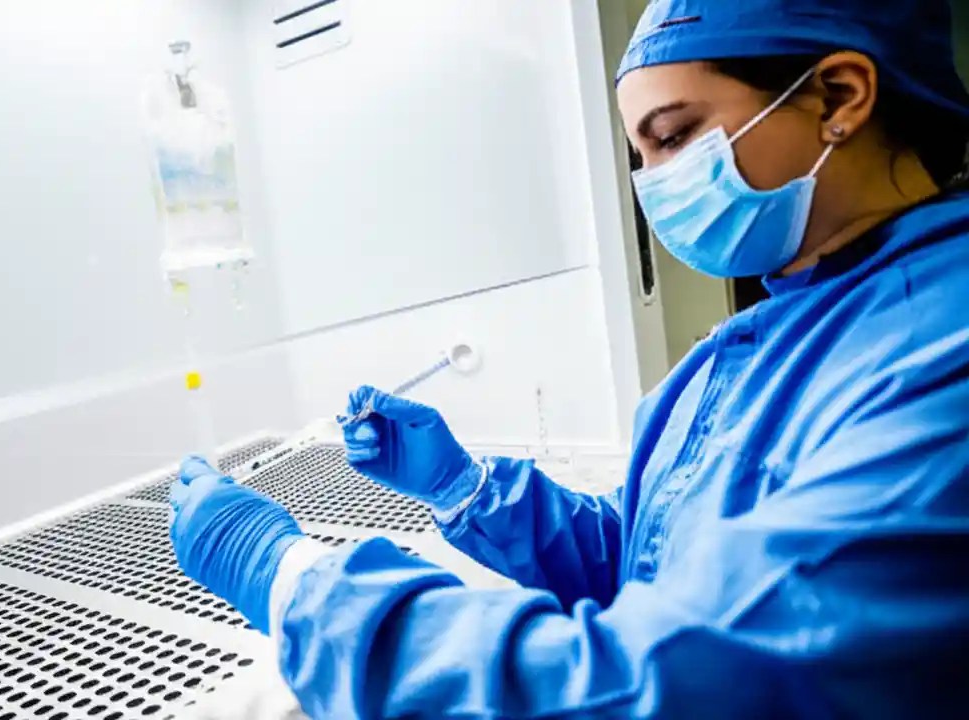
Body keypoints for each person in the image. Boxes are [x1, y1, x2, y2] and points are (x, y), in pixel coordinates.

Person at [169, 0, 969, 716]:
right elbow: (647, 559)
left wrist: (292, 580)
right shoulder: (774, 328)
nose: (655, 186)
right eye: (642, 155)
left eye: (675, 137)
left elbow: (668, 683)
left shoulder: (940, 353)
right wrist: (465, 486)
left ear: (839, 95)